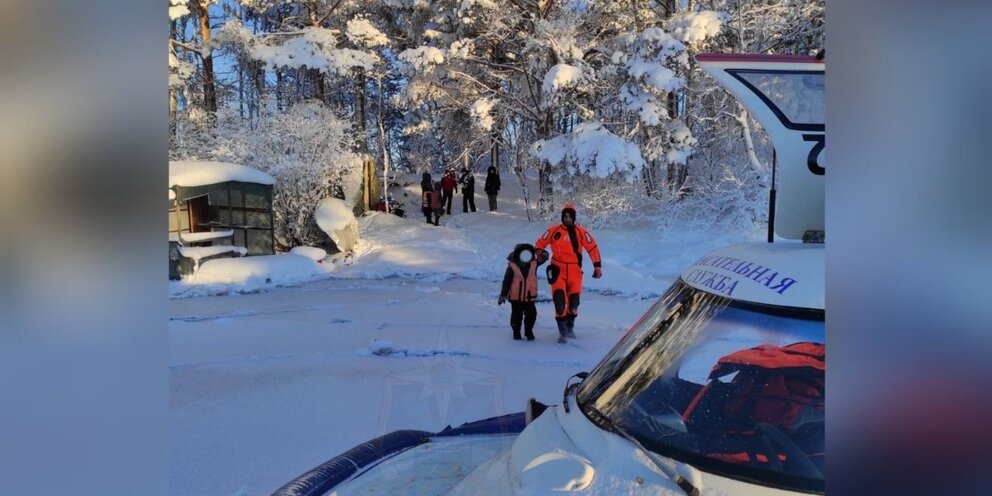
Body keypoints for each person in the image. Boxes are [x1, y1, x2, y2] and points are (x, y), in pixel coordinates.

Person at [534, 204, 603, 343]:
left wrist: (597, 266)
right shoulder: (554, 230)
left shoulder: (581, 232)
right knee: (559, 300)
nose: (567, 219)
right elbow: (540, 243)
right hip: (557, 268)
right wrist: (540, 253)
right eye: (564, 216)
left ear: (574, 217)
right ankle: (562, 331)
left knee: (573, 303)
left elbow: (592, 248)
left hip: (574, 271)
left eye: (569, 216)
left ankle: (570, 326)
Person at [498, 244, 549, 341]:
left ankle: (528, 331)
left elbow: (543, 257)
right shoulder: (512, 267)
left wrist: (543, 253)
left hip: (530, 298)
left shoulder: (534, 264)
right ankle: (516, 332)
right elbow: (506, 282)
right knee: (516, 317)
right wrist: (503, 295)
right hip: (516, 298)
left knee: (532, 315)